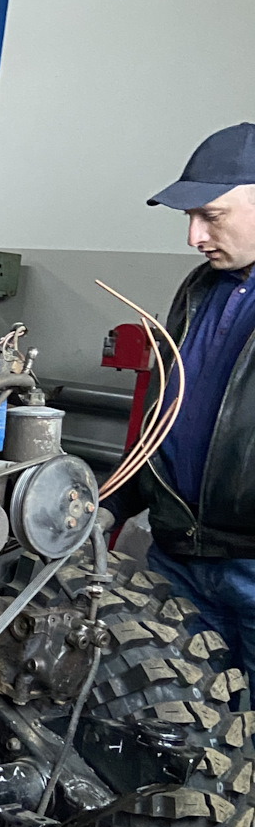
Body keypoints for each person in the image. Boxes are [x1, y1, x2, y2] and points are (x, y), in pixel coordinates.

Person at [141, 122, 255, 678]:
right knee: (178, 728)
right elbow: (169, 413)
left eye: (211, 216)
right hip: (180, 555)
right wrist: (114, 502)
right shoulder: (199, 288)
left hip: (250, 565)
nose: (193, 236)